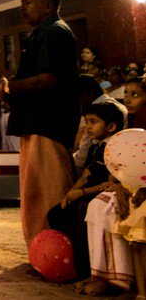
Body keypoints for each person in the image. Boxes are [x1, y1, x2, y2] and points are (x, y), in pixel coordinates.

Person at [0, 0, 80, 250]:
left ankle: (57, 250)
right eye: (21, 2)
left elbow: (47, 79)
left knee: (49, 191)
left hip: (48, 122)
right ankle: (41, 250)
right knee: (34, 191)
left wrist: (11, 87)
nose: (22, 7)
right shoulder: (42, 33)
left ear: (48, 6)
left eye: (28, 2)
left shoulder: (54, 32)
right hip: (35, 122)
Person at [47, 101, 125, 281]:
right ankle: (71, 263)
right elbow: (86, 175)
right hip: (88, 192)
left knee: (83, 212)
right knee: (56, 213)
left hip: (102, 195)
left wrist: (81, 193)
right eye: (87, 121)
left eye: (93, 122)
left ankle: (87, 271)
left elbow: (109, 183)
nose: (88, 127)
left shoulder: (114, 148)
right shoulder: (95, 146)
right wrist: (70, 193)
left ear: (111, 127)